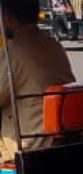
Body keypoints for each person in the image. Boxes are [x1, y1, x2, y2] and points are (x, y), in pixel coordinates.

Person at [0, 0, 75, 163]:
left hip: (30, 148)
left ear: (8, 17)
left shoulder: (15, 51)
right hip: (60, 142)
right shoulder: (53, 46)